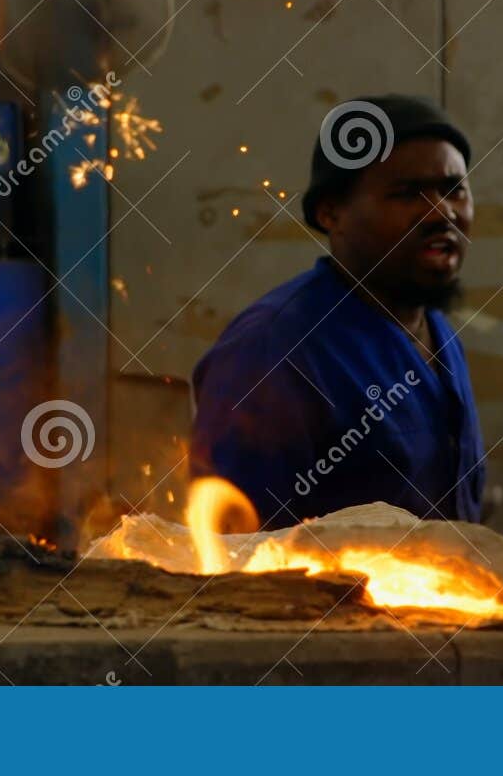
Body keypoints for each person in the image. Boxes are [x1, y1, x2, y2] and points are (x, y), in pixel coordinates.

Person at [190, 95, 486, 526]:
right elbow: (233, 554)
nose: (442, 213)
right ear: (332, 213)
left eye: (453, 189)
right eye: (407, 194)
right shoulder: (274, 350)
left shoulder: (435, 329)